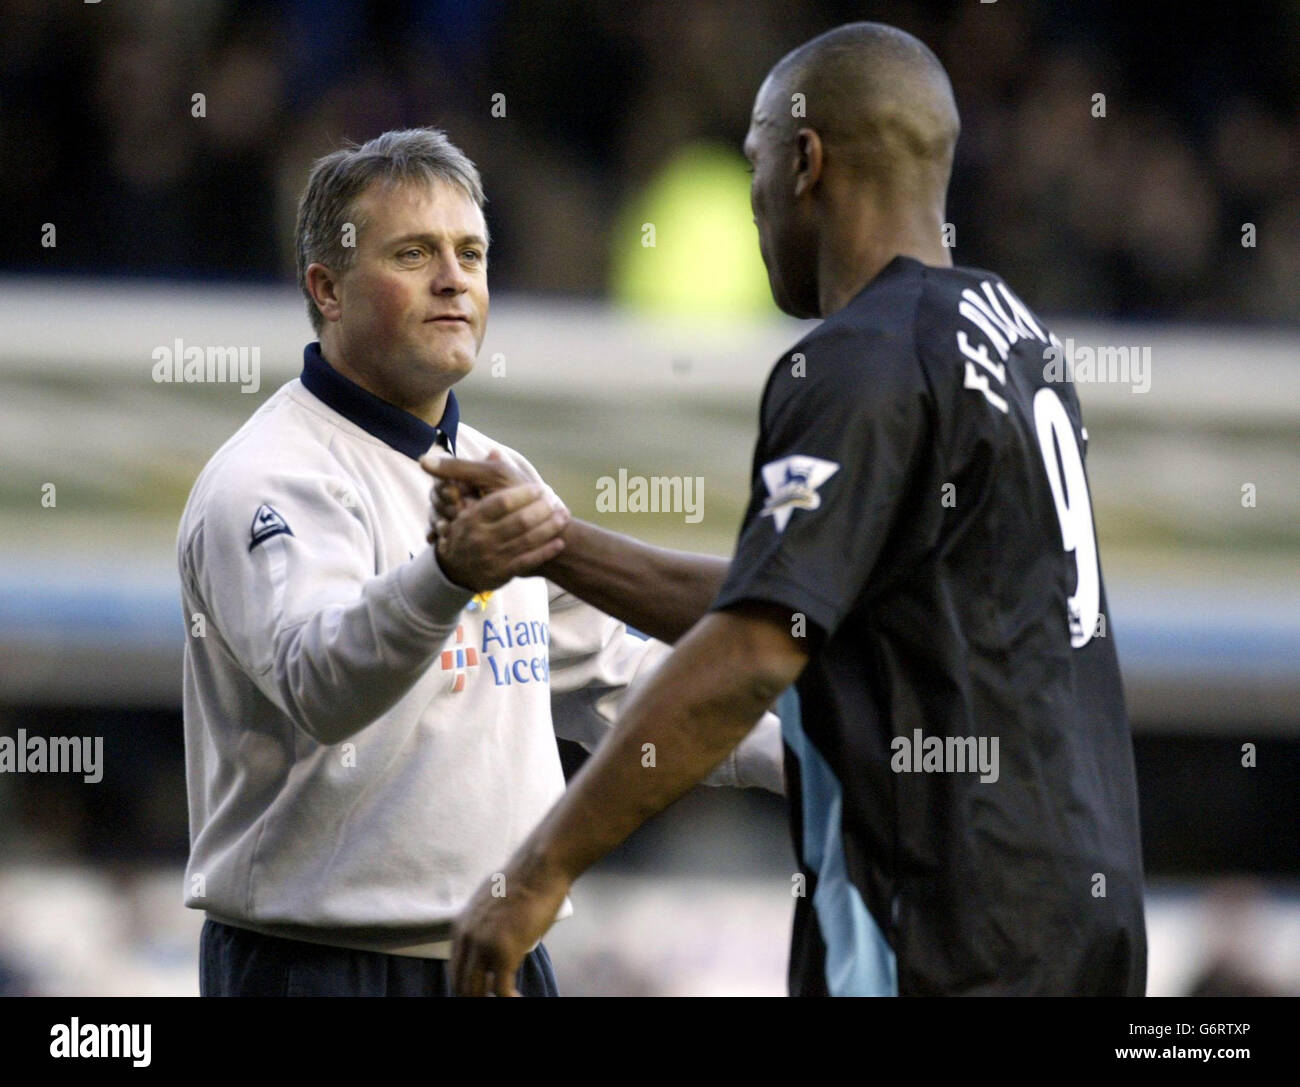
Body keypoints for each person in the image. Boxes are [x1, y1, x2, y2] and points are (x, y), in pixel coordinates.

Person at [442, 22, 1148, 997]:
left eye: (756, 163)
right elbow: (798, 609)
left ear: (807, 160)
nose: (753, 200)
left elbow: (753, 652)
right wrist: (555, 545)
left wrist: (535, 873)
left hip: (942, 940)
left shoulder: (862, 354)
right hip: (1071, 939)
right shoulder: (1007, 337)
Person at [177, 128, 783, 998]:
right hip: (316, 966)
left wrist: (817, 755)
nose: (453, 278)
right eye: (414, 253)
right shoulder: (265, 478)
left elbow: (616, 679)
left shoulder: (501, 470)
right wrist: (445, 577)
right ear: (327, 287)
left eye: (471, 253)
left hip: (498, 955)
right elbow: (320, 682)